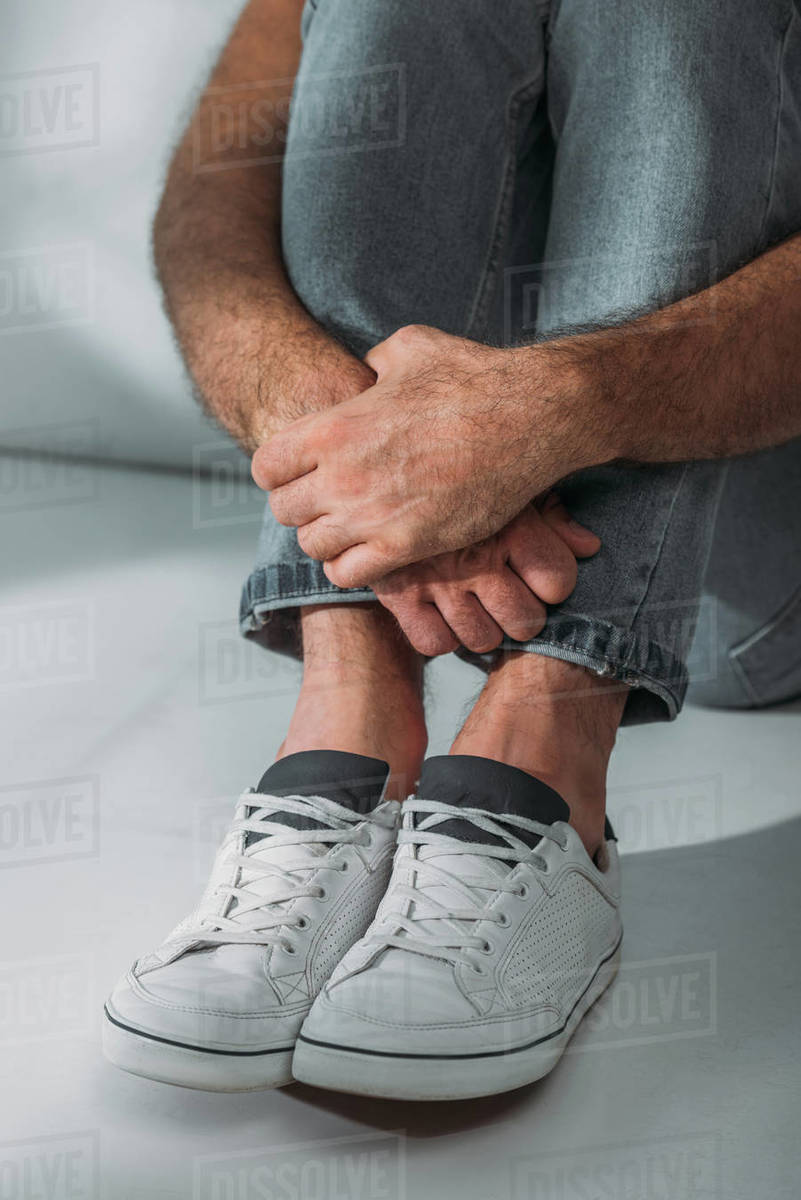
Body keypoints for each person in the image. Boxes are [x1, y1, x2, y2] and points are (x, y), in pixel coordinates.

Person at [102, 0, 801, 1099]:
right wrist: (359, 442)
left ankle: (550, 745)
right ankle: (351, 726)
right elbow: (218, 183)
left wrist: (556, 412)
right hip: (482, 475)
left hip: (747, 526)